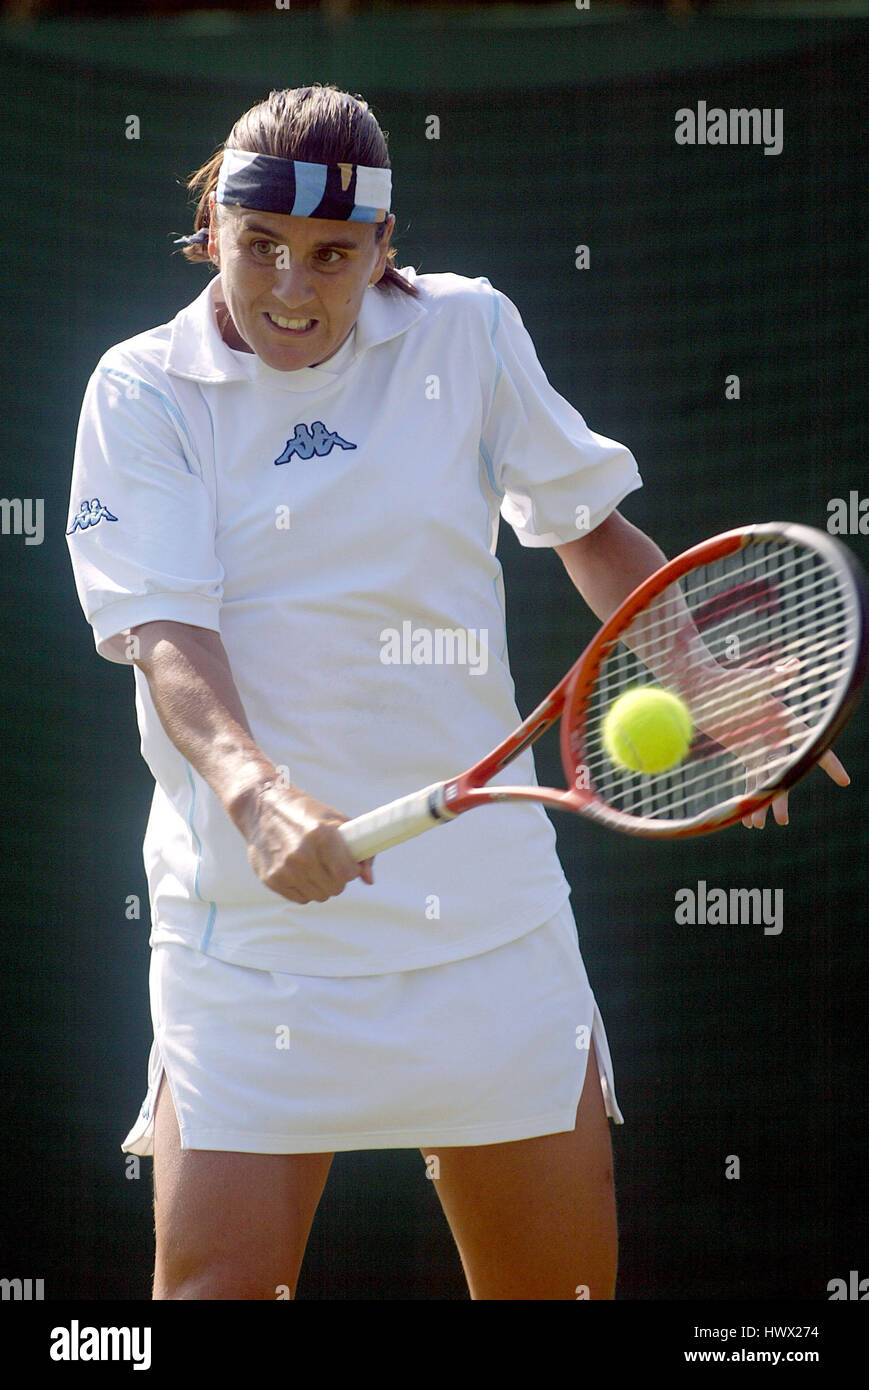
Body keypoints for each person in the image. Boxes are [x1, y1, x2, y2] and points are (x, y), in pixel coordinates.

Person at [65, 83, 846, 1302]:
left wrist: (705, 682)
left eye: (331, 256)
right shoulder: (141, 389)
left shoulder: (465, 332)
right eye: (256, 245)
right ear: (212, 220)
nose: (288, 287)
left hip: (484, 930)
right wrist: (260, 799)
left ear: (383, 246)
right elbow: (165, 633)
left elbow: (585, 527)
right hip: (251, 941)